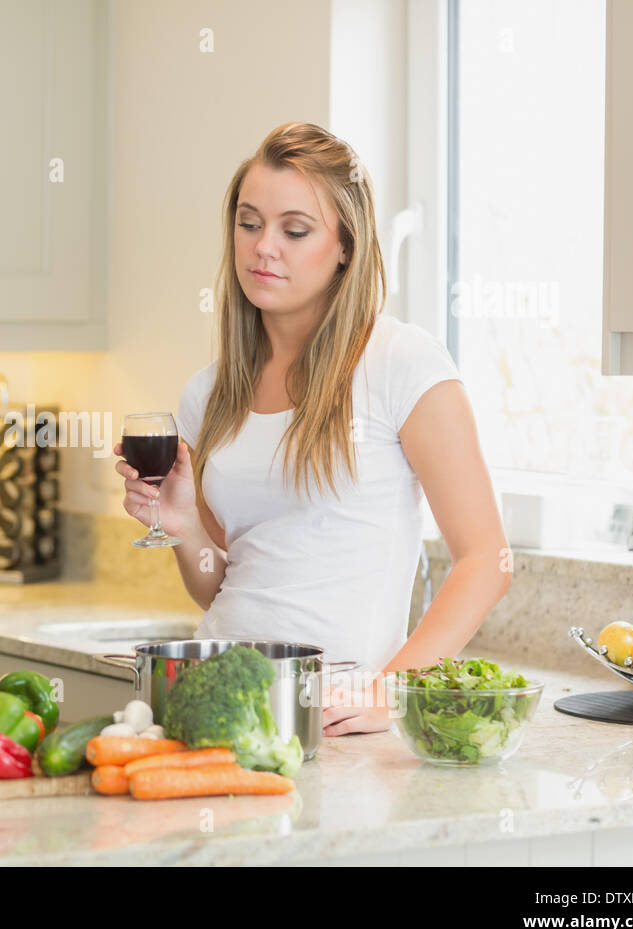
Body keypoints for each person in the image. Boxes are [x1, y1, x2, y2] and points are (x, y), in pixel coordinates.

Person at [115, 122, 511, 735]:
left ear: (346, 246)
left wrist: (390, 692)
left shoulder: (402, 366)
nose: (262, 248)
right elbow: (221, 586)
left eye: (294, 230)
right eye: (249, 224)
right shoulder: (208, 394)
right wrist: (184, 526)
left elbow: (487, 559)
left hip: (331, 715)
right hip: (210, 696)